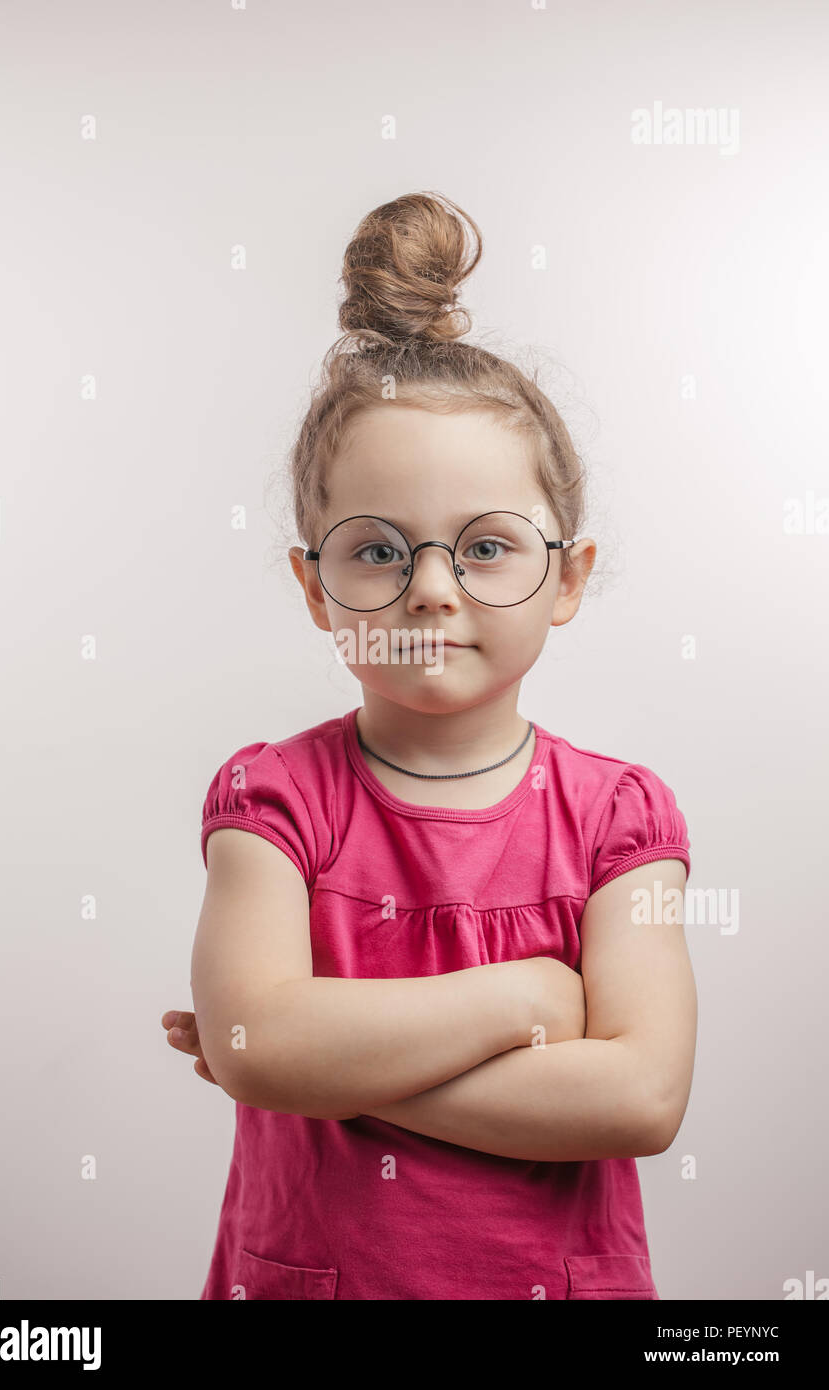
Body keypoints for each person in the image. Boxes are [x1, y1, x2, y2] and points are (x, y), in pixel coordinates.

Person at [161, 191, 696, 1301]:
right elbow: (261, 1035)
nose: (435, 591)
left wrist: (318, 1071)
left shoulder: (620, 822)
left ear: (570, 579)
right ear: (315, 587)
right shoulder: (273, 801)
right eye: (379, 551)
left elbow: (641, 1098)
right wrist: (531, 1002)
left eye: (488, 546)